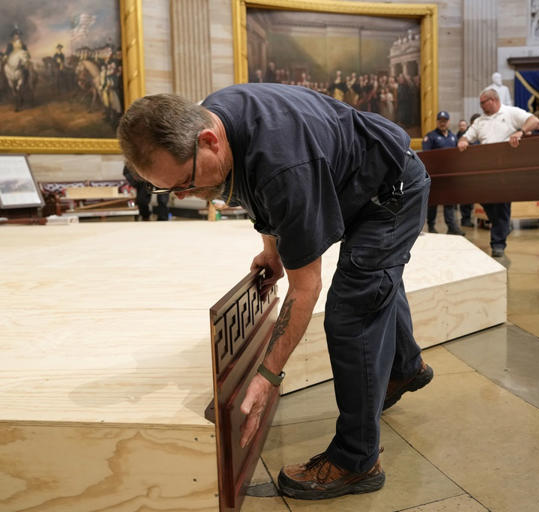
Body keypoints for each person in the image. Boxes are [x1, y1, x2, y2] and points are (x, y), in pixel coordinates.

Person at [117, 83, 434, 500]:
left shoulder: (285, 164)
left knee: (351, 310)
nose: (184, 196)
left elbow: (306, 289)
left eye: (184, 183)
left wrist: (268, 376)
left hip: (391, 191)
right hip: (354, 179)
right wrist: (272, 248)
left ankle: (357, 461)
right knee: (375, 281)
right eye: (168, 190)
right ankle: (405, 367)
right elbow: (253, 188)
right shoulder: (216, 119)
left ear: (208, 140)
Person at [458, 88, 539, 257]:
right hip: (486, 170)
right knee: (485, 200)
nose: (481, 106)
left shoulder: (511, 112)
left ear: (493, 100)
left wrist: (521, 131)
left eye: (483, 102)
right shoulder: (480, 121)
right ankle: (502, 226)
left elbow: (534, 120)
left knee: (501, 205)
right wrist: (463, 141)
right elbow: (466, 137)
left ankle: (498, 244)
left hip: (506, 169)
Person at [422, 111, 465, 235]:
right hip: (435, 175)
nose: (442, 123)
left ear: (448, 122)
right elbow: (427, 155)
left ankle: (452, 227)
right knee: (433, 202)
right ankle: (431, 226)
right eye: (440, 121)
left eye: (445, 121)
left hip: (449, 175)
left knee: (449, 201)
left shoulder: (453, 136)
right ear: (437, 122)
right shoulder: (430, 136)